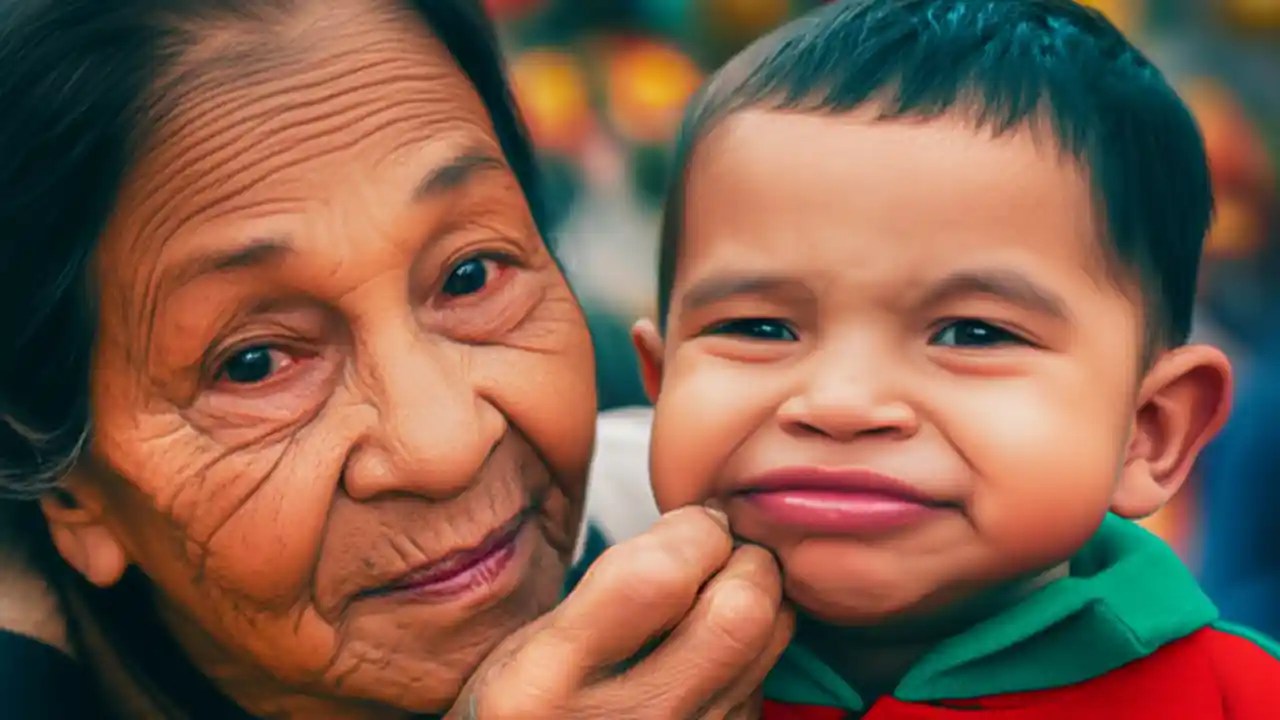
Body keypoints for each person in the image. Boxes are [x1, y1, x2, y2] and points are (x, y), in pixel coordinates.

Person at [0, 0, 791, 717]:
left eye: (470, 275)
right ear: (71, 492)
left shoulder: (786, 533)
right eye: (255, 363)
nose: (444, 446)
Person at [625, 0, 1280, 716]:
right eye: (759, 327)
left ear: (1150, 429)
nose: (841, 404)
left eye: (973, 334)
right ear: (661, 382)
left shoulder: (1236, 699)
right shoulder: (583, 681)